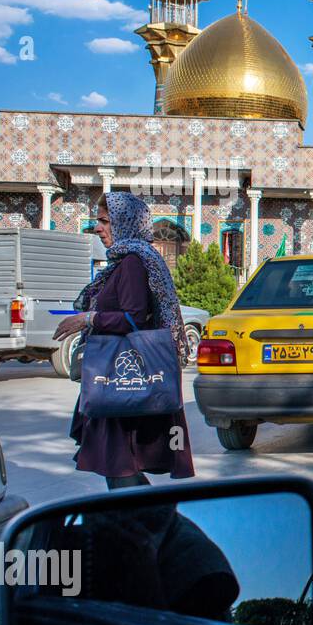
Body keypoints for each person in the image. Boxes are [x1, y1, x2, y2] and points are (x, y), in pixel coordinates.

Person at [53, 192, 194, 489]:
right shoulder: (126, 259)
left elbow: (133, 317)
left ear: (125, 223)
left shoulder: (132, 261)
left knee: (119, 468)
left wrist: (86, 319)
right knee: (118, 468)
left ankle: (151, 530)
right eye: (97, 221)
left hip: (122, 381)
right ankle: (150, 528)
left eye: (105, 221)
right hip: (117, 379)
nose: (97, 228)